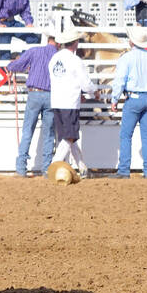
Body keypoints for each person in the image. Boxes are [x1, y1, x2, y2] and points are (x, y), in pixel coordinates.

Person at [109, 26, 147, 179]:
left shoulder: (126, 58)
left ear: (132, 42)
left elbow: (119, 81)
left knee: (126, 135)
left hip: (134, 98)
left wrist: (114, 100)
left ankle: (124, 170)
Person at [48, 23, 100, 179]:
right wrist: (94, 91)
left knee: (68, 137)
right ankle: (54, 164)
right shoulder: (75, 60)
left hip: (57, 101)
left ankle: (82, 168)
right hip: (70, 102)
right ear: (75, 43)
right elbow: (85, 83)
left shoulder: (54, 59)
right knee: (69, 136)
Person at [3, 32, 58, 177]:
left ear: (47, 39)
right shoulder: (59, 56)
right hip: (52, 95)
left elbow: (18, 65)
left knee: (27, 130)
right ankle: (46, 169)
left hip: (34, 93)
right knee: (49, 134)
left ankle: (21, 168)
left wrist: (9, 66)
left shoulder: (34, 51)